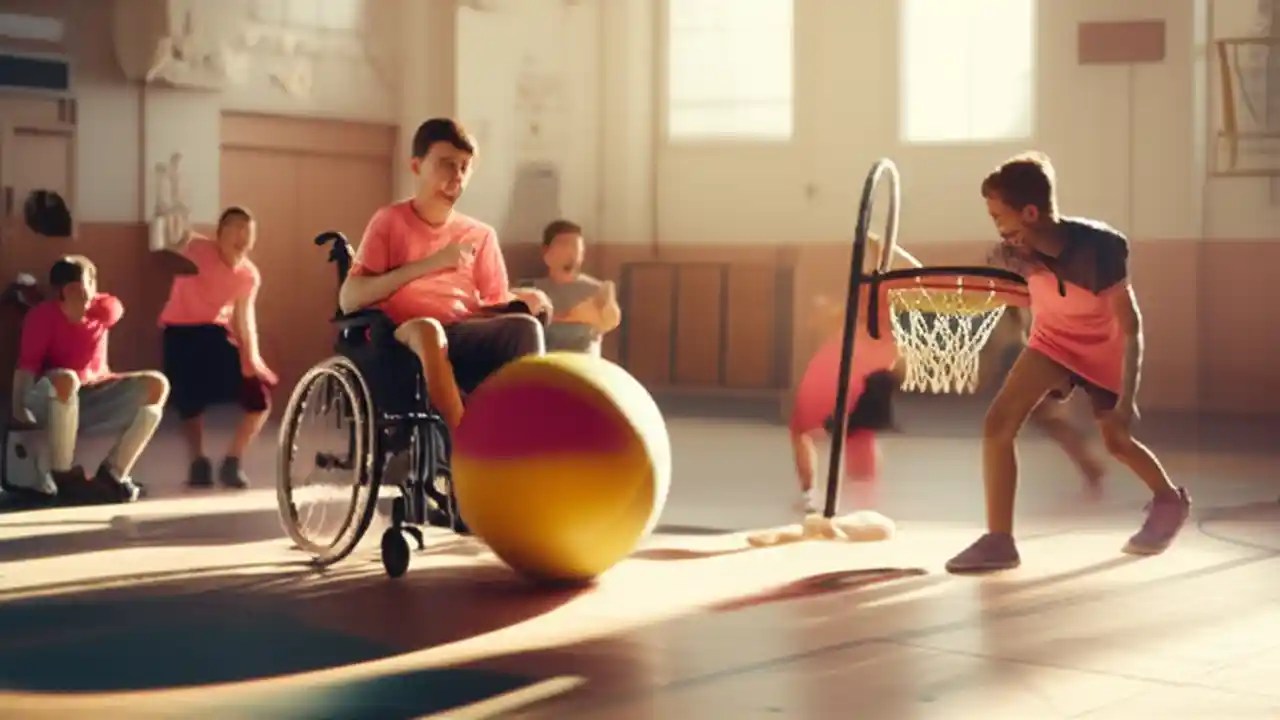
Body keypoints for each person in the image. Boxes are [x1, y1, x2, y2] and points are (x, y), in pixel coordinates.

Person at [946, 153, 1190, 573]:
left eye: (999, 216)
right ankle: (999, 540)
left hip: (1104, 349)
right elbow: (995, 295)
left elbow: (1131, 325)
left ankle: (1169, 500)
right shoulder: (1011, 254)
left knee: (1116, 441)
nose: (997, 227)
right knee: (998, 424)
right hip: (1052, 343)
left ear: (1030, 212)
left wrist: (1126, 398)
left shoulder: (1100, 248)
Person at [338, 118, 548, 432]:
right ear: (416, 166)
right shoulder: (390, 222)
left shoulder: (481, 235)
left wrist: (523, 300)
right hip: (401, 331)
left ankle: (522, 435)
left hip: (463, 328)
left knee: (525, 327)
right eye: (447, 164)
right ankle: (462, 439)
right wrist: (432, 263)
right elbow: (349, 298)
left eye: (464, 167)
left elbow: (492, 303)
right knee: (428, 329)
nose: (457, 176)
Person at [12, 256, 166, 504]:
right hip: (51, 399)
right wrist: (19, 409)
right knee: (67, 379)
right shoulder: (41, 317)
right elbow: (27, 367)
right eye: (80, 286)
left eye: (91, 283)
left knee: (157, 385)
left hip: (94, 396)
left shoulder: (102, 309)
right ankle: (62, 474)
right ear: (63, 290)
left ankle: (114, 473)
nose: (88, 291)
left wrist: (85, 307)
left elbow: (113, 309)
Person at [158, 206, 275, 489]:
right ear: (218, 235)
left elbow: (245, 318)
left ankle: (233, 461)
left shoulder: (248, 275)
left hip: (215, 333)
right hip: (178, 333)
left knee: (259, 399)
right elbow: (173, 237)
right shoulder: (195, 248)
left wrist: (252, 356)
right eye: (235, 229)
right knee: (189, 403)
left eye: (248, 231)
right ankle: (198, 462)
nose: (241, 237)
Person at [988, 248, 1107, 496]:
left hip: (1035, 355)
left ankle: (1090, 466)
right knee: (1047, 420)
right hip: (1028, 354)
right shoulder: (1019, 291)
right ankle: (1089, 465)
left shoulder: (1030, 288)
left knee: (1044, 419)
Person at [789, 288, 901, 515]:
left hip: (848, 375)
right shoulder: (877, 328)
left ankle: (824, 494)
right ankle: (859, 497)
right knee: (856, 435)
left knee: (854, 435)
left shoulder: (865, 324)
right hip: (851, 374)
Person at [530, 219, 621, 354]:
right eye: (564, 245)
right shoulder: (532, 290)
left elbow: (610, 320)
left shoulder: (597, 290)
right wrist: (570, 316)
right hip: (543, 362)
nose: (571, 251)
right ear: (546, 251)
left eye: (576, 246)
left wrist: (607, 303)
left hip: (584, 362)